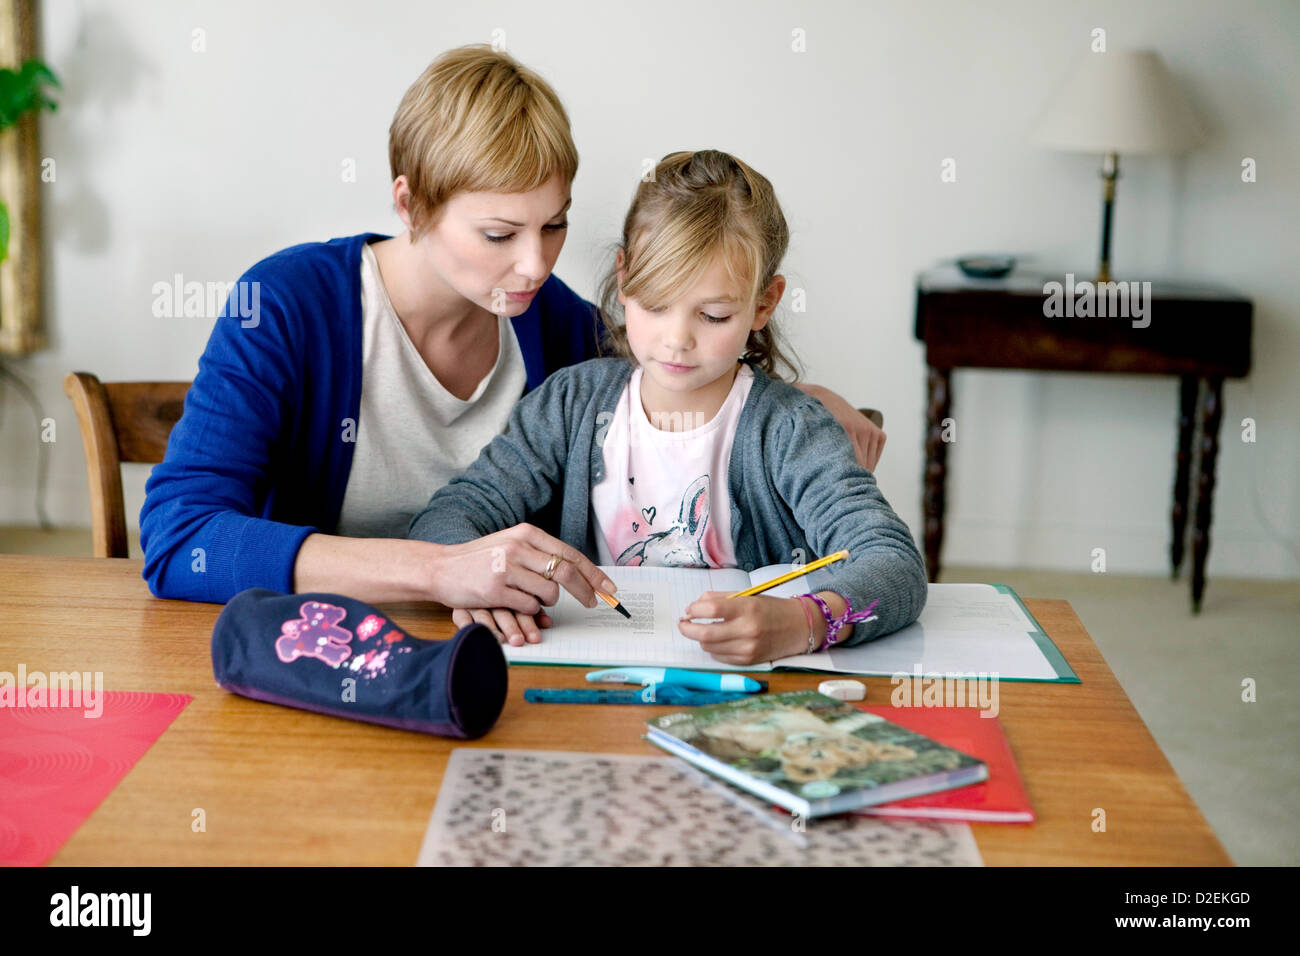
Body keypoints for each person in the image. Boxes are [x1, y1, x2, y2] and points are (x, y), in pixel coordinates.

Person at [139, 45, 886, 613]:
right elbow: (180, 537)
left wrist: (810, 400)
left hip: (492, 651)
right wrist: (436, 571)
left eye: (554, 225)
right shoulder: (286, 304)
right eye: (499, 233)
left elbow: (679, 362)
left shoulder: (555, 325)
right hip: (319, 649)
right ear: (410, 204)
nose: (535, 265)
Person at [408, 150, 926, 667]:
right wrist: (478, 582)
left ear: (764, 304)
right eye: (655, 305)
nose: (677, 340)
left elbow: (895, 565)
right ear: (624, 278)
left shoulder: (790, 431)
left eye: (713, 315)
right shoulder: (569, 405)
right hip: (595, 675)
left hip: (751, 687)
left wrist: (806, 621)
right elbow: (451, 516)